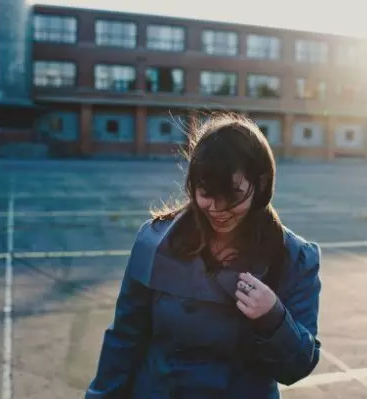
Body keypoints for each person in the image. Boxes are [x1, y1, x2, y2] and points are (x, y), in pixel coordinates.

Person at [85, 113, 322, 399]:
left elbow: (297, 368)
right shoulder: (155, 242)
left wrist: (274, 317)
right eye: (206, 192)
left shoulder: (293, 258)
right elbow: (123, 340)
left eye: (233, 194)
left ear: (260, 184)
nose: (218, 208)